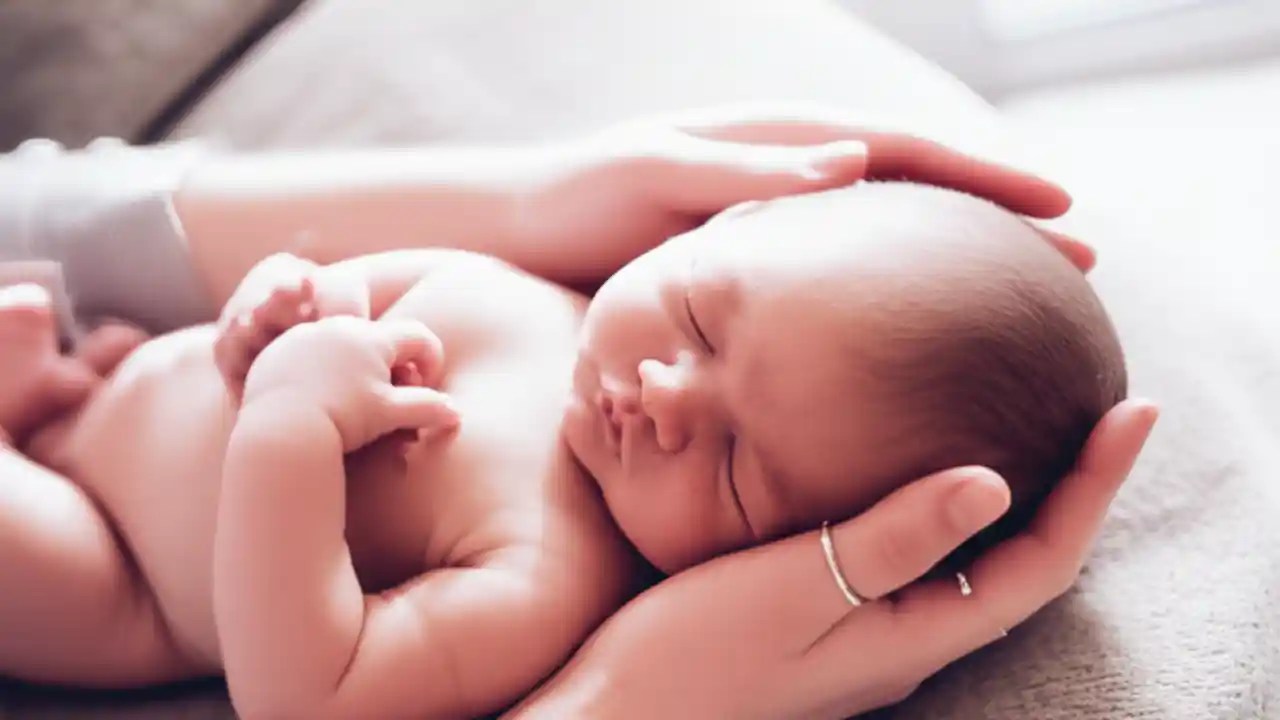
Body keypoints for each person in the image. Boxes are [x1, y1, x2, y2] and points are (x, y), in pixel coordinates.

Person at [0, 111, 1157, 718]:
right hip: (100, 375)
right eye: (701, 319)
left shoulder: (548, 581)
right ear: (704, 232)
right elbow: (337, 288)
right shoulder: (542, 291)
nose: (663, 396)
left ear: (796, 555)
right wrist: (289, 308)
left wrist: (290, 434)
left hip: (107, 567)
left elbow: (311, 694)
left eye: (739, 470)